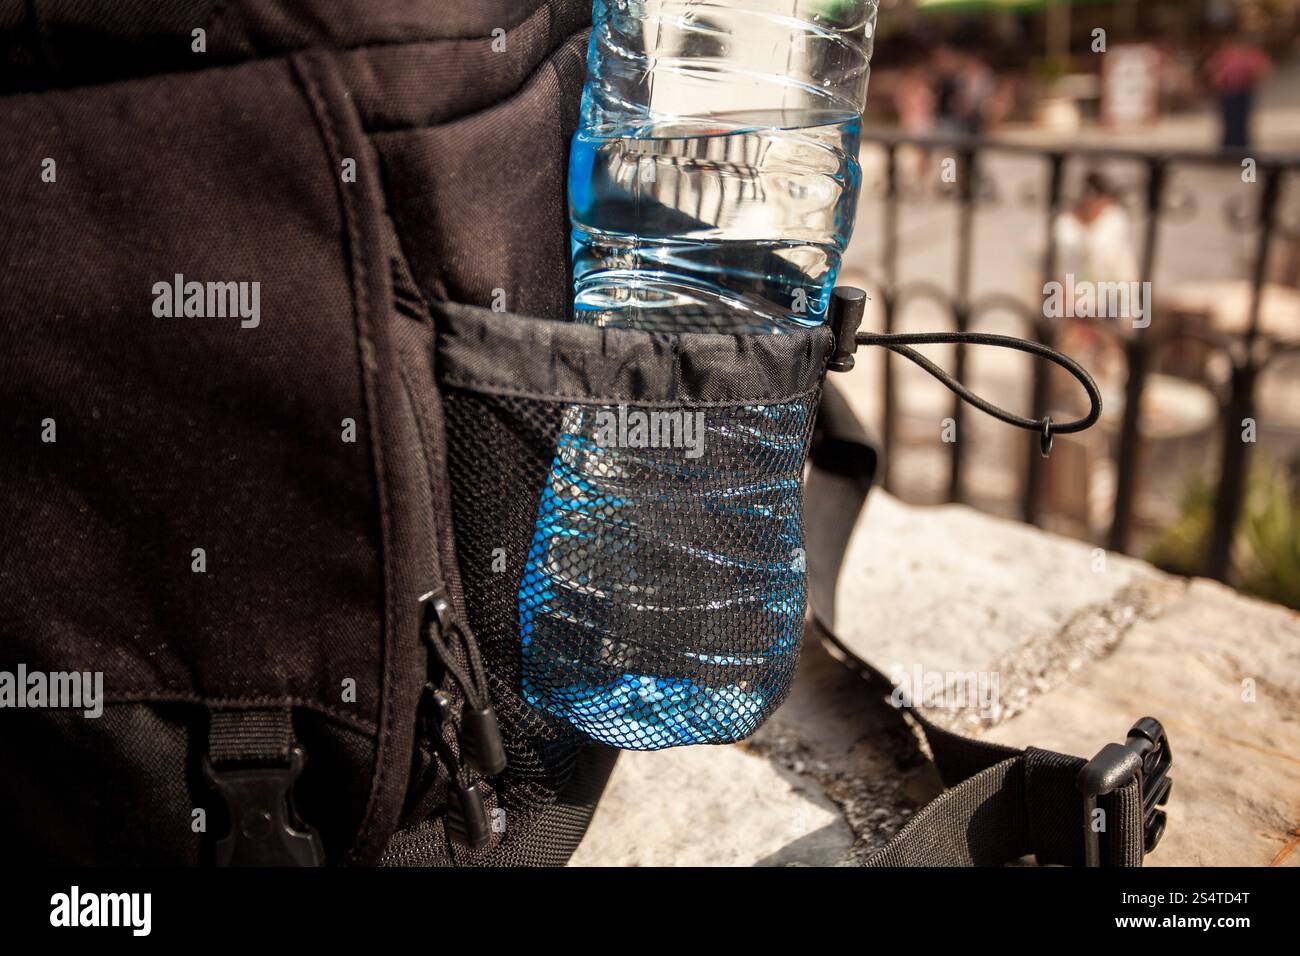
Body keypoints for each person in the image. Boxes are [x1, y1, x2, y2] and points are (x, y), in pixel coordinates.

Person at [1206, 36, 1272, 150]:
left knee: (1242, 120)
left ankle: (1241, 145)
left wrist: (1256, 80)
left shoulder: (1251, 55)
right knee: (1229, 119)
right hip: (1227, 92)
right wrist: (1218, 79)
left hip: (1244, 92)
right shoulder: (1225, 56)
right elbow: (1212, 69)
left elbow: (1263, 69)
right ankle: (1229, 145)